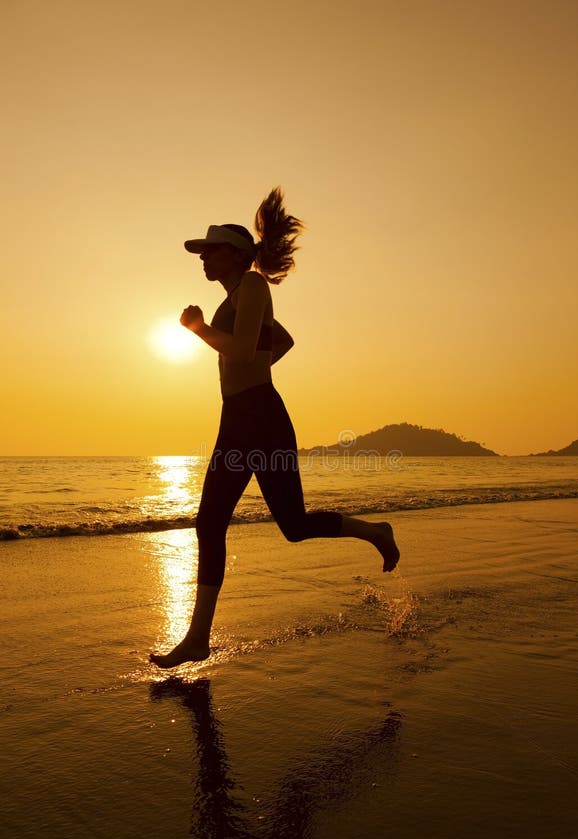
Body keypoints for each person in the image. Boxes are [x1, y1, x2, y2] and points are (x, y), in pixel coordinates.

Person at [150, 188, 400, 668]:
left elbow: (244, 352)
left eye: (210, 250)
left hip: (259, 415)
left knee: (287, 524)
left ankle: (374, 531)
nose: (203, 258)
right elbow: (278, 340)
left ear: (237, 255)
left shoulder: (253, 287)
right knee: (230, 523)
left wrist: (199, 330)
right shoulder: (240, 298)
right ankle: (198, 638)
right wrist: (249, 357)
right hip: (241, 415)